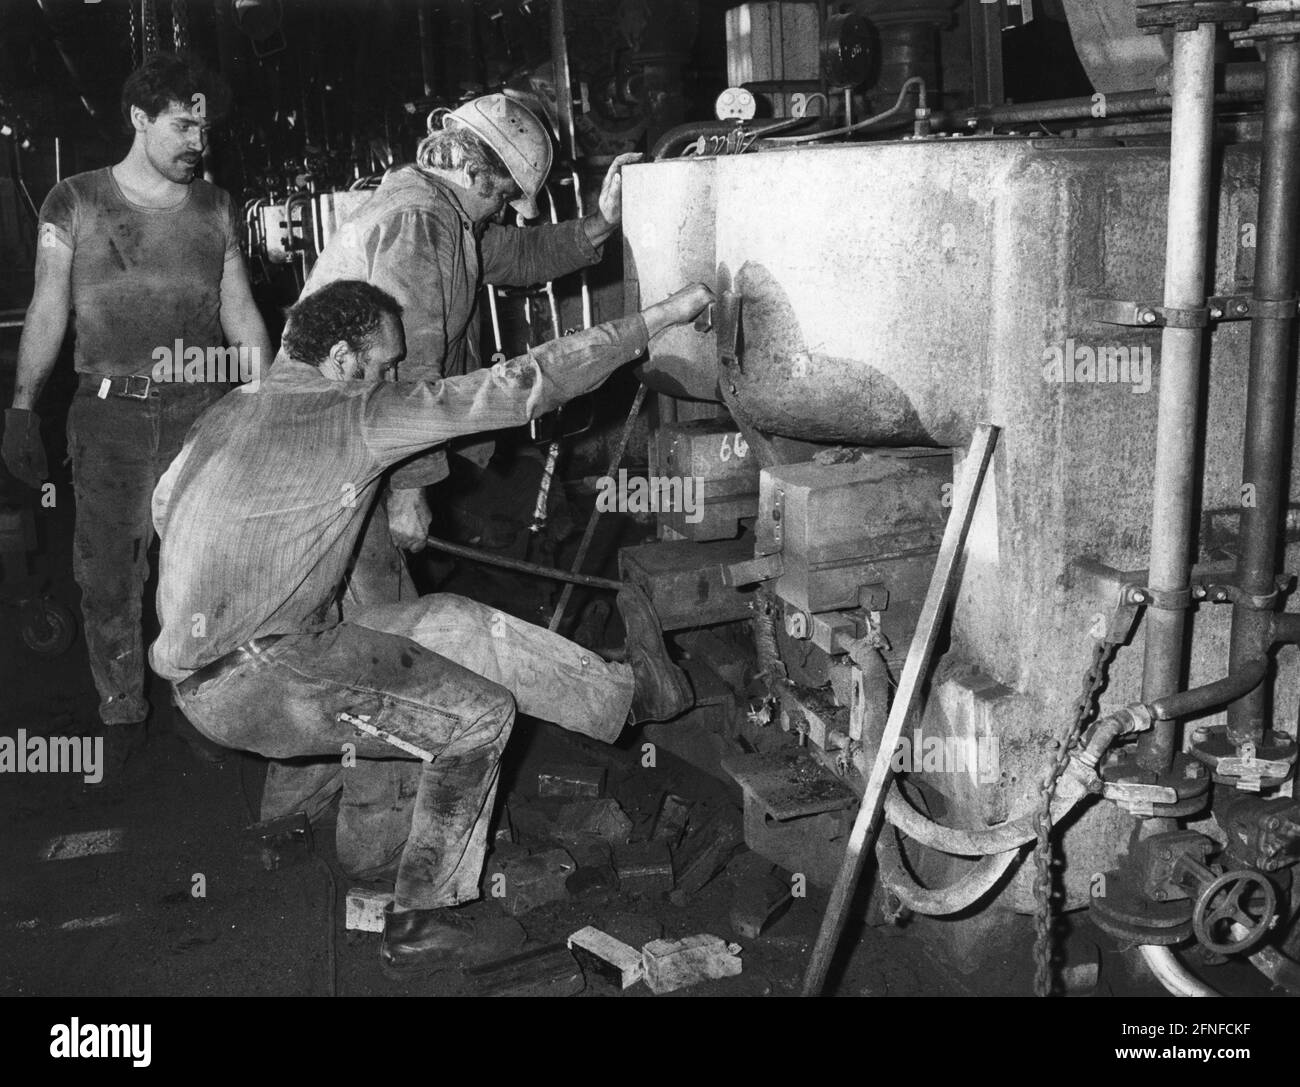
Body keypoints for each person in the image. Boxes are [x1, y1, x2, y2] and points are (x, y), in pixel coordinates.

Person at [150, 278, 711, 973]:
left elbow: (163, 506)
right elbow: (521, 384)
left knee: (452, 622)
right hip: (262, 677)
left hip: (212, 670)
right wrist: (656, 320)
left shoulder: (232, 407)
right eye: (384, 364)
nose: (392, 376)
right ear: (343, 358)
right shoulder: (355, 411)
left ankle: (630, 697)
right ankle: (423, 919)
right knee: (479, 719)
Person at [1, 53, 272, 771]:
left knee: (205, 569)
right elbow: (48, 306)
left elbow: (239, 310)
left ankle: (202, 704)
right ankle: (122, 713)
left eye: (206, 130)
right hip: (110, 417)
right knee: (109, 575)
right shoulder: (75, 201)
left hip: (202, 414)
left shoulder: (216, 206)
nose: (199, 143)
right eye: (184, 125)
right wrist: (24, 406)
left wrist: (269, 399)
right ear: (140, 120)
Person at [300, 91, 640, 587]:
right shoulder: (418, 222)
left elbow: (523, 256)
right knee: (375, 617)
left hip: (367, 440)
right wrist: (409, 491)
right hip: (348, 449)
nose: (500, 210)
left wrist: (603, 221)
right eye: (500, 196)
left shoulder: (449, 214)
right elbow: (409, 371)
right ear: (470, 170)